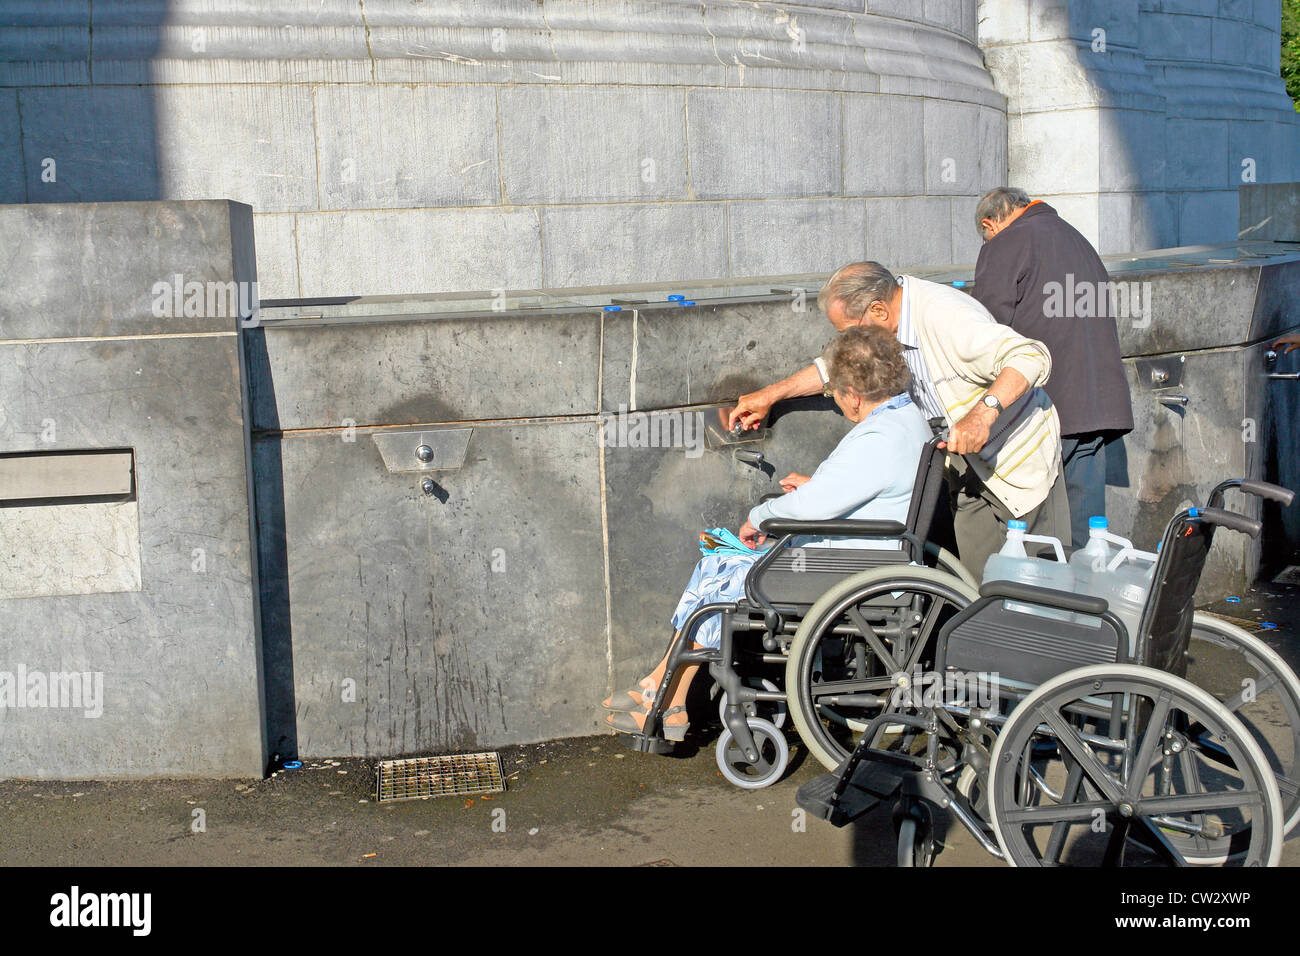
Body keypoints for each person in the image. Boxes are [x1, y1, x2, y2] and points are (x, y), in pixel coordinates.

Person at [603, 326, 930, 739]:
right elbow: (864, 490)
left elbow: (813, 509)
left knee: (720, 566)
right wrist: (816, 486)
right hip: (867, 555)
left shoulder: (879, 435)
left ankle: (669, 700)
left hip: (845, 568)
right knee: (717, 557)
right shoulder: (906, 418)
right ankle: (661, 689)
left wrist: (760, 516)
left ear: (854, 393)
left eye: (835, 394)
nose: (838, 401)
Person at [729, 260, 1069, 577]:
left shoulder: (945, 317)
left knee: (1034, 582)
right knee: (980, 581)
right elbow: (843, 363)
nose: (847, 342)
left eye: (848, 331)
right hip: (967, 464)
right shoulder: (886, 324)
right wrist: (771, 395)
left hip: (1016, 458)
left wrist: (983, 413)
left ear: (878, 309)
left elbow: (1029, 354)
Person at [972, 186, 1134, 548]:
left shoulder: (1007, 243)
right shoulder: (1076, 239)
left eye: (986, 235)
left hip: (1044, 409)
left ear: (990, 222)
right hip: (1096, 405)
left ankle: (1041, 601)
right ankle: (1088, 598)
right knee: (1087, 535)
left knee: (1036, 534)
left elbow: (985, 331)